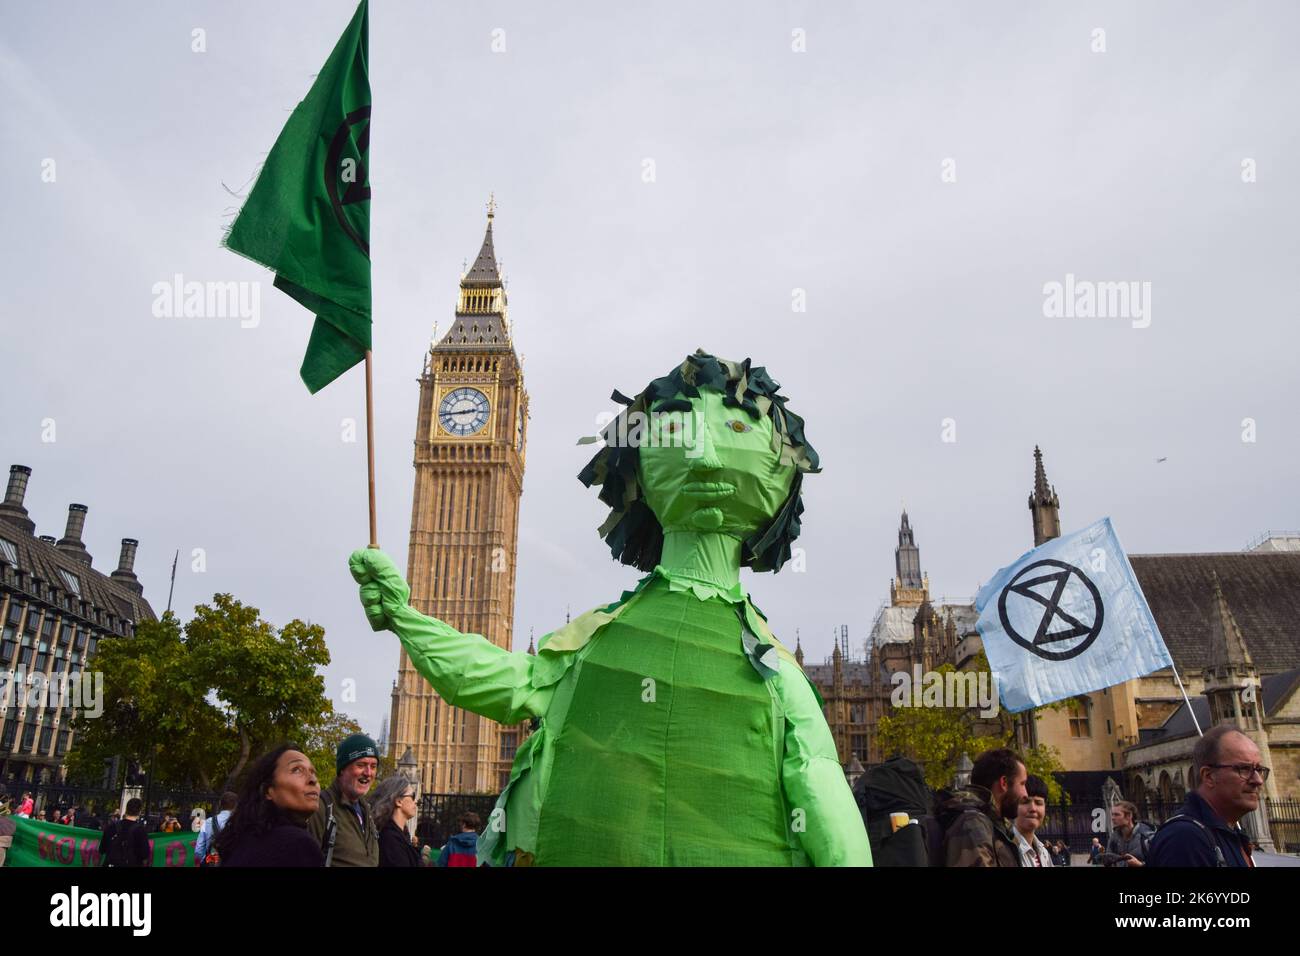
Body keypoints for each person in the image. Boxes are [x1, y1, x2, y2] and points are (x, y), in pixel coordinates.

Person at [350, 351, 870, 867]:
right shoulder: (772, 668)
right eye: (676, 434)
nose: (707, 457)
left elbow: (502, 681)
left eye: (735, 428)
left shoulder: (599, 642)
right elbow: (830, 814)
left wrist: (407, 619)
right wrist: (408, 617)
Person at [1147, 725, 1264, 868]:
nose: (1258, 780)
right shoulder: (1185, 838)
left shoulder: (1229, 833)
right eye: (1244, 769)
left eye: (1259, 769)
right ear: (1208, 776)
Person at [214, 745, 325, 867]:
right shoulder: (298, 845)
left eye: (313, 772)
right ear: (268, 790)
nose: (313, 779)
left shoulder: (244, 841)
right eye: (297, 769)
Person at [938, 748, 1026, 867]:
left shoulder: (993, 824)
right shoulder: (973, 825)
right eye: (1022, 784)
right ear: (1004, 783)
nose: (1025, 793)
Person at [306, 733, 380, 866]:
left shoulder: (366, 810)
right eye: (361, 765)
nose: (368, 773)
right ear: (342, 769)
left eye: (373, 766)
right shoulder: (321, 808)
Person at [370, 776, 421, 867]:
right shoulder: (390, 840)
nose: (416, 801)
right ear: (398, 801)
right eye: (413, 796)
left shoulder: (401, 835)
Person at [1012, 775, 1054, 867]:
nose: (1033, 809)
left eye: (1038, 803)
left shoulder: (1043, 852)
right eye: (1025, 802)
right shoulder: (1003, 849)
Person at [99, 797, 150, 867]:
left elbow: (102, 849)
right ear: (140, 812)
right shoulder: (140, 830)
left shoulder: (111, 827)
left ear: (126, 809)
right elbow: (145, 854)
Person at [1105, 800, 1154, 867]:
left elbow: (1159, 862)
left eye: (1117, 814)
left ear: (1129, 816)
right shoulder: (1114, 837)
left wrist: (1140, 865)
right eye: (1112, 815)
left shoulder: (1146, 837)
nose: (1113, 818)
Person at [194, 791, 238, 866]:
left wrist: (208, 861)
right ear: (236, 805)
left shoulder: (207, 822)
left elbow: (198, 851)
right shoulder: (241, 823)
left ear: (220, 804)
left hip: (212, 863)